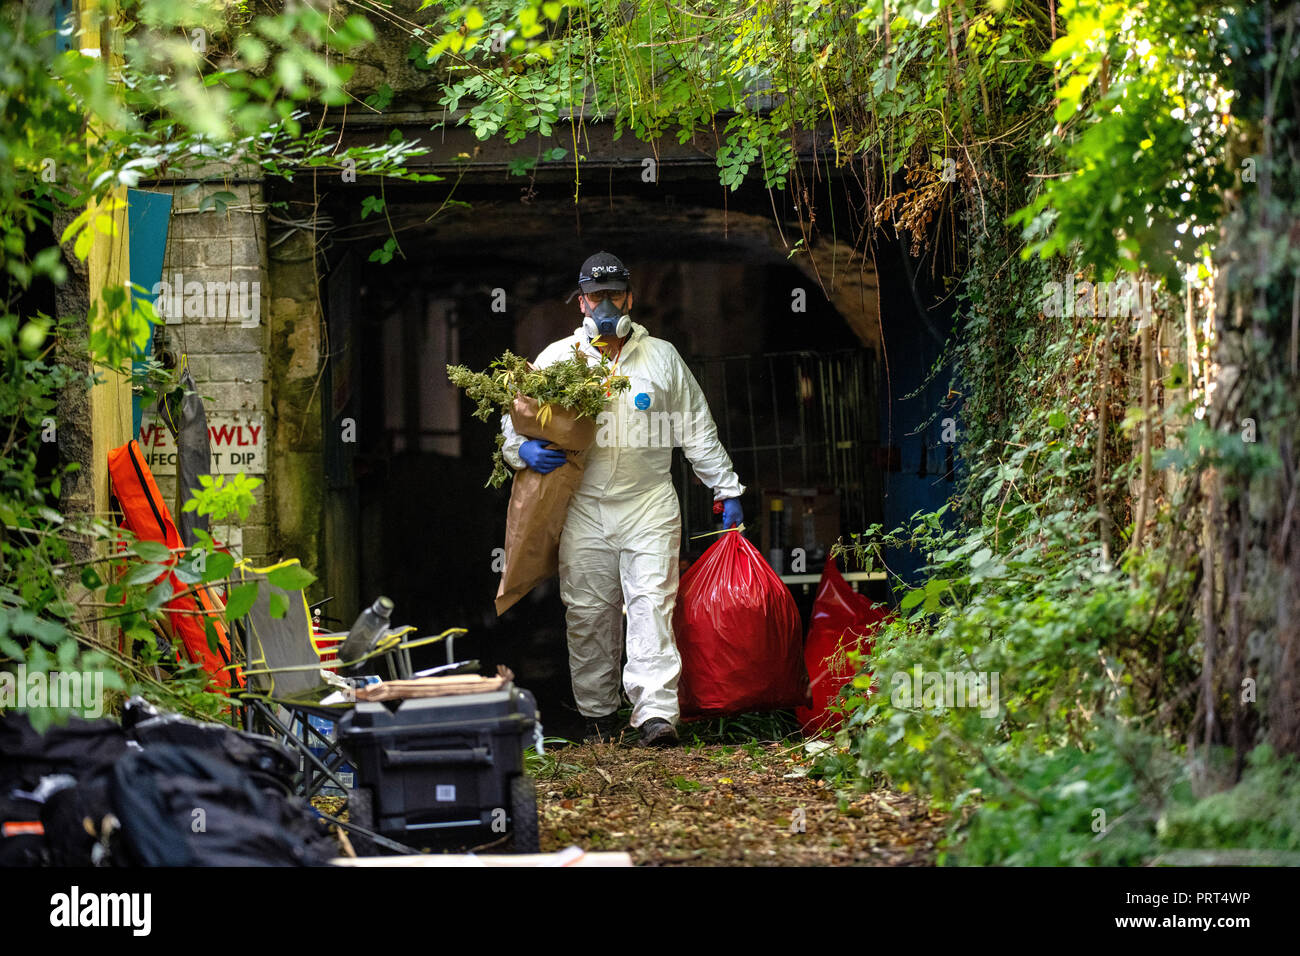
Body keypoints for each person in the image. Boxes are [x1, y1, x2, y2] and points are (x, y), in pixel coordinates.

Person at [501, 252, 745, 747]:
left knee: (651, 603)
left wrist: (727, 488)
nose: (606, 305)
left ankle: (656, 716)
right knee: (588, 612)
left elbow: (695, 428)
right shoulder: (556, 361)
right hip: (583, 507)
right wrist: (521, 451)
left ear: (630, 298)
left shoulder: (661, 358)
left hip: (648, 502)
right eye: (597, 296)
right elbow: (514, 423)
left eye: (615, 295)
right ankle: (597, 714)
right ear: (582, 302)